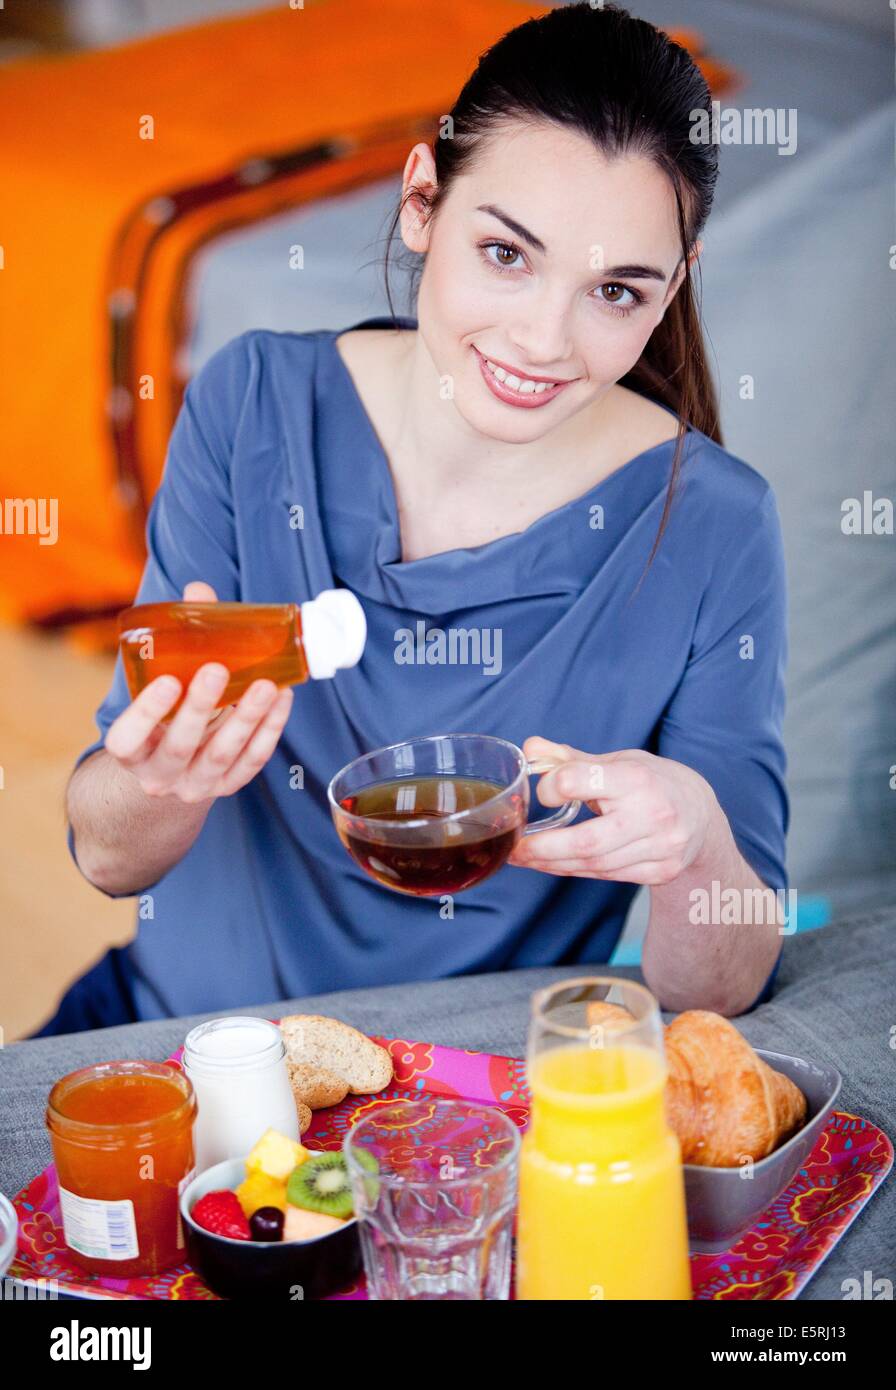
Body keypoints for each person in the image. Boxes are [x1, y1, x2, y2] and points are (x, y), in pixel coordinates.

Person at [33, 3, 789, 1036]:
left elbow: (720, 992)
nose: (541, 340)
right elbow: (112, 859)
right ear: (421, 202)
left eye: (614, 291)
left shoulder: (713, 525)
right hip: (189, 1050)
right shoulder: (251, 402)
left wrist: (695, 842)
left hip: (475, 1111)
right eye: (506, 254)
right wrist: (161, 776)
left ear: (671, 291)